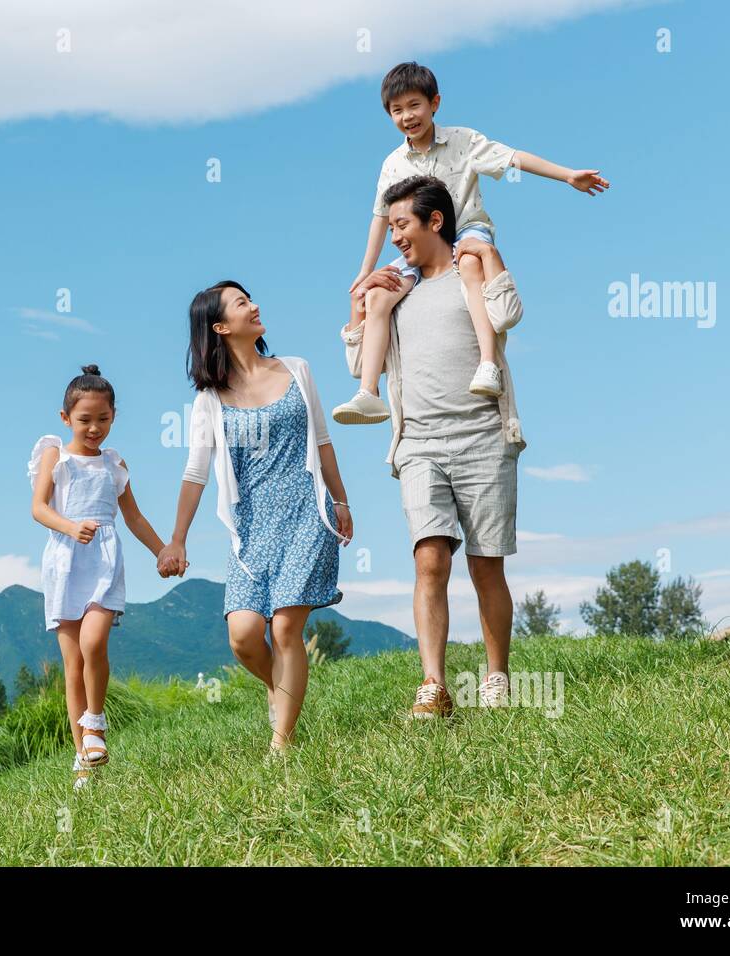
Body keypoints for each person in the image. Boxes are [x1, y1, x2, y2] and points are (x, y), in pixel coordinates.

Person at [332, 60, 608, 425]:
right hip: (420, 248)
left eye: (414, 105)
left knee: (469, 264)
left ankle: (487, 365)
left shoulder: (463, 141)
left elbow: (513, 158)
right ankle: (369, 392)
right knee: (378, 294)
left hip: (465, 232)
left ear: (435, 103)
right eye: (396, 110)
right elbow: (381, 218)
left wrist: (567, 175)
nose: (407, 116)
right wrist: (365, 272)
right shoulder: (393, 163)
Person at [341, 176, 525, 717]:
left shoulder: (469, 271)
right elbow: (360, 365)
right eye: (391, 225)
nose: (394, 237)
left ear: (435, 221)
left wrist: (489, 254)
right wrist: (361, 304)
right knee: (429, 559)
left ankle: (496, 678)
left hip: (483, 437)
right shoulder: (399, 295)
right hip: (418, 443)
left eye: (401, 225)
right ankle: (433, 684)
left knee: (486, 565)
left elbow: (508, 312)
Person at [157, 281, 352, 756]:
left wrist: (342, 501)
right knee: (244, 636)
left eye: (251, 298)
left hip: (307, 510)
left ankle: (281, 744)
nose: (255, 305)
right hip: (251, 528)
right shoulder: (209, 400)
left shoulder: (297, 370)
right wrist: (176, 540)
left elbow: (323, 442)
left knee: (286, 629)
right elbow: (195, 472)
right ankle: (283, 689)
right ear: (220, 327)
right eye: (242, 303)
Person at [29, 364, 174, 788]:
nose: (94, 428)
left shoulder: (114, 463)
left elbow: (134, 517)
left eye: (103, 419)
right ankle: (84, 759)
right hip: (64, 560)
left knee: (94, 641)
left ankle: (95, 722)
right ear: (65, 419)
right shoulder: (55, 455)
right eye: (84, 420)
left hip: (104, 560)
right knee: (72, 665)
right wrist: (71, 527)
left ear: (114, 416)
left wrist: (162, 549)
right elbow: (39, 508)